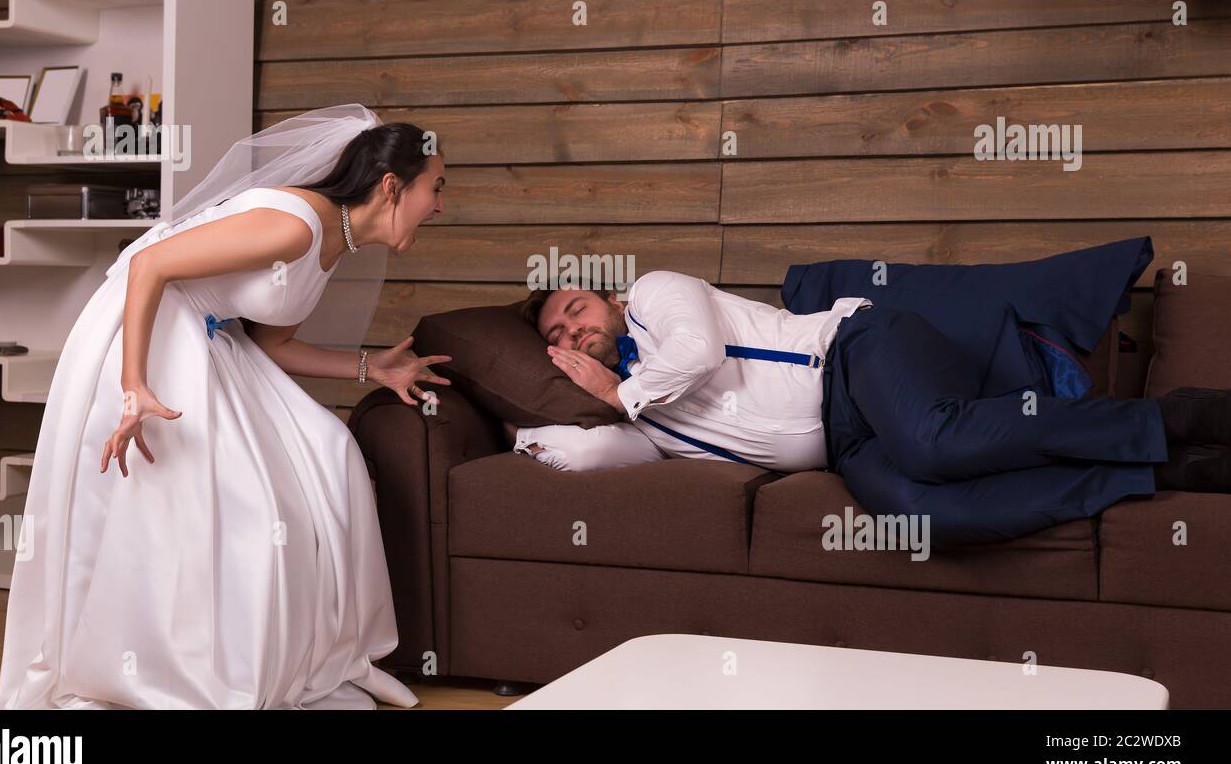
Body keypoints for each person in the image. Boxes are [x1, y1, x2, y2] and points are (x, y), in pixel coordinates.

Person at [0, 104, 451, 709]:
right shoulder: (297, 226)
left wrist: (373, 367)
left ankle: (331, 651)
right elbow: (150, 264)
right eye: (435, 188)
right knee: (236, 501)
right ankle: (182, 667)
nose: (441, 205)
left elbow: (274, 344)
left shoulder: (334, 241)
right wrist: (135, 386)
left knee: (329, 448)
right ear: (393, 186)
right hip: (147, 330)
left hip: (210, 339)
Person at [512, 271, 1231, 545]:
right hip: (849, 448)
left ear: (606, 297)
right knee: (934, 519)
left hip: (859, 350)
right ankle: (1164, 471)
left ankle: (1169, 418)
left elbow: (699, 353)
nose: (574, 330)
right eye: (559, 336)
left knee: (932, 443)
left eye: (576, 309)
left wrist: (618, 392)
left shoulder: (655, 295)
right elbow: (603, 451)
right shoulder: (640, 413)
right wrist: (534, 434)